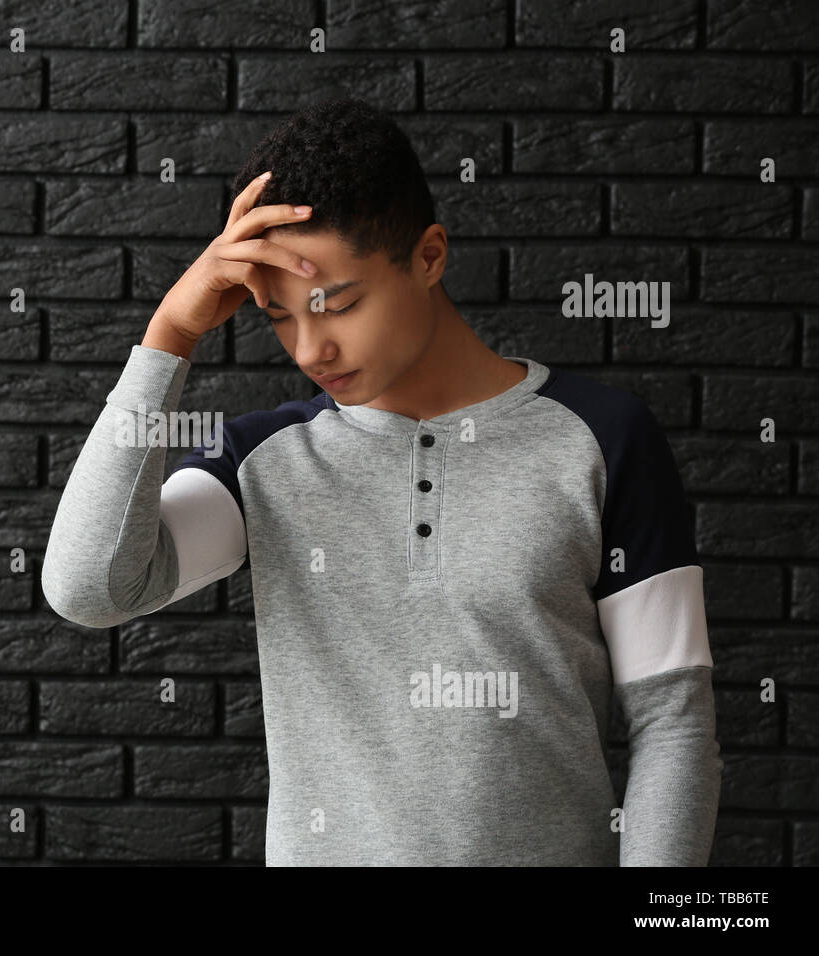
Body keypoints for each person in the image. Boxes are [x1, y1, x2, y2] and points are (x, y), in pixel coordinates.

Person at [41, 95, 722, 866]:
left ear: (428, 257)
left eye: (338, 305)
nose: (311, 350)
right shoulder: (261, 462)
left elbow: (674, 724)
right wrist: (172, 332)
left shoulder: (603, 439)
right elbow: (89, 588)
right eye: (280, 316)